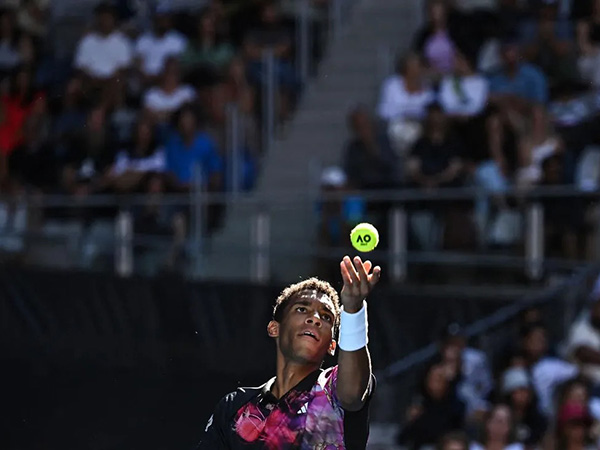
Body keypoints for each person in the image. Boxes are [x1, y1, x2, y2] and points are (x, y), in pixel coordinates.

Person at [198, 256, 381, 449]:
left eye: (326, 316)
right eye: (302, 309)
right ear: (274, 328)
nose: (315, 319)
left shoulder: (334, 389)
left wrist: (353, 310)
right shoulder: (234, 407)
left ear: (332, 346)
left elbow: (352, 394)